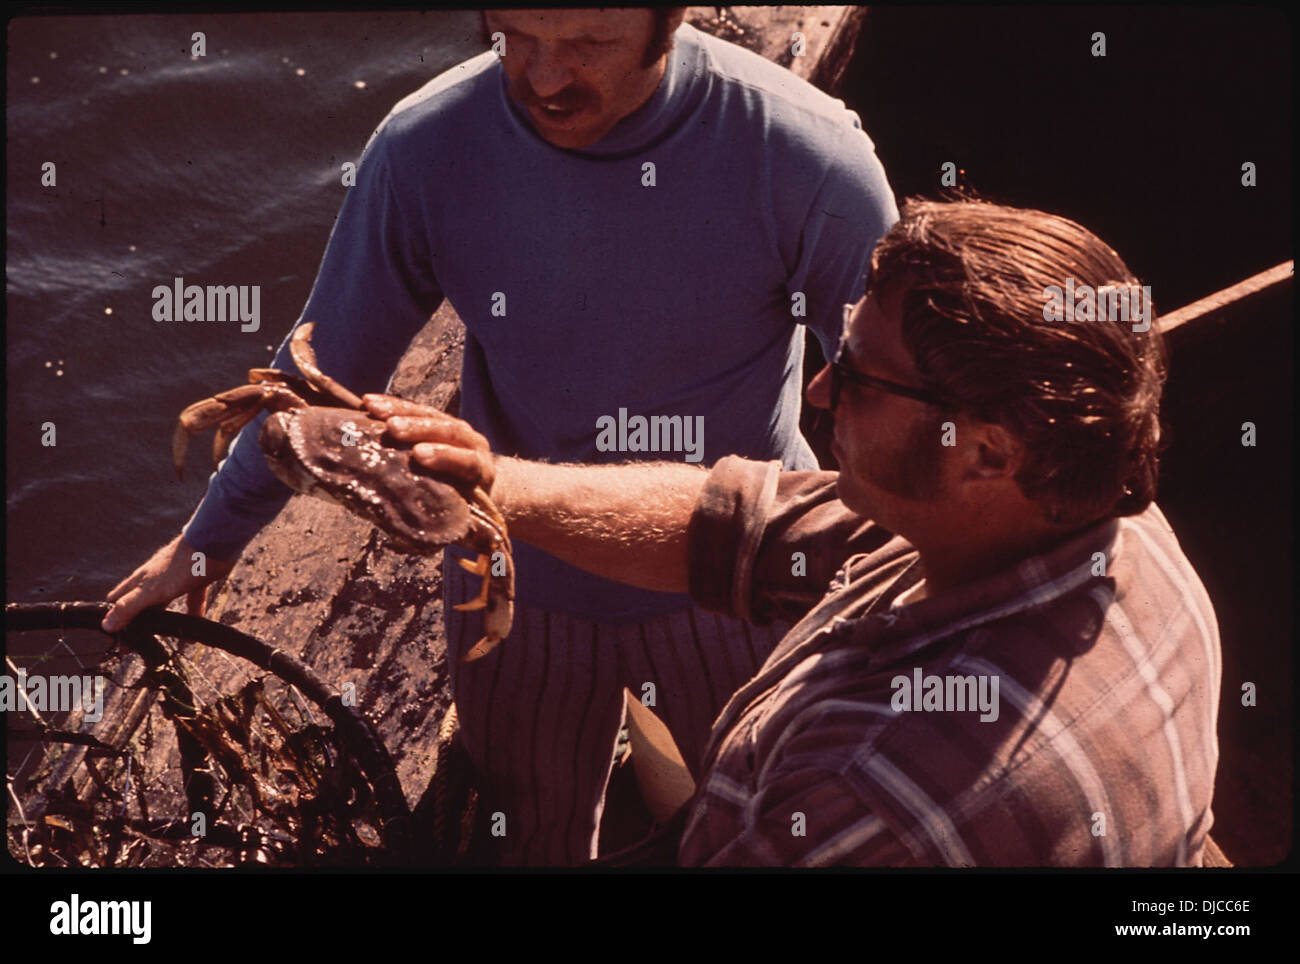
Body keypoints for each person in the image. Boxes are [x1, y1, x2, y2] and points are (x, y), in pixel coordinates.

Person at [101, 8, 898, 864]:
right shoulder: (427, 147)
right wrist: (206, 540)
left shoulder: (807, 155)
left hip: (737, 577)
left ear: (667, 23)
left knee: (776, 819)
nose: (544, 80)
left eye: (587, 46)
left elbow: (898, 399)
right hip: (515, 588)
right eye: (518, 36)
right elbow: (314, 367)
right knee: (523, 834)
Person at [381, 198, 1223, 865]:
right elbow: (727, 526)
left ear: (988, 453)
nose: (818, 391)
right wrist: (489, 484)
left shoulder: (868, 786)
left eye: (858, 375)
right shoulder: (1119, 527)